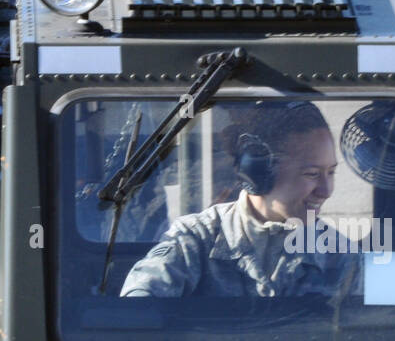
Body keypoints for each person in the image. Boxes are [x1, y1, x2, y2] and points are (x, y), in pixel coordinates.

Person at [119, 100, 361, 299]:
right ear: (258, 172)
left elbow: (385, 330)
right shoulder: (194, 239)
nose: (326, 190)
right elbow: (136, 314)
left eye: (331, 172)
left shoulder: (342, 255)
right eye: (312, 174)